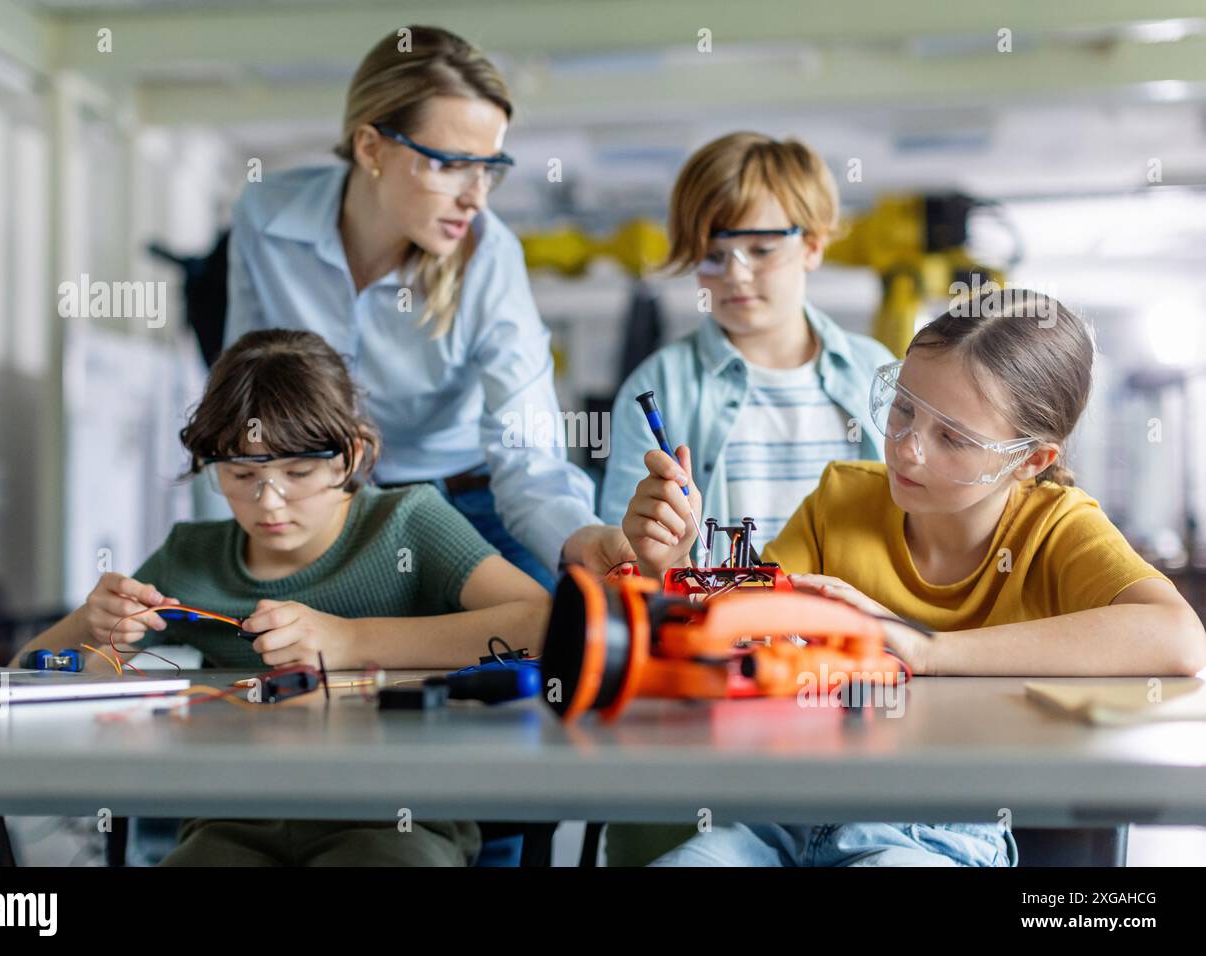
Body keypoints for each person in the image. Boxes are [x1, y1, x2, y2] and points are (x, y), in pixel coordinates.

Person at [623, 290, 1205, 866]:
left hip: (939, 831)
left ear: (1030, 460)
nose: (906, 450)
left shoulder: (1056, 531)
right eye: (903, 409)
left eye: (952, 437)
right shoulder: (840, 499)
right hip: (783, 812)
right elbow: (739, 634)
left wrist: (924, 650)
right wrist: (670, 567)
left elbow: (1178, 639)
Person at [13, 329, 551, 865]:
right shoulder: (190, 557)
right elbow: (26, 680)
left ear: (349, 458)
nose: (268, 502)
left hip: (396, 817)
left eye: (296, 472)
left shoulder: (409, 522)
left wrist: (350, 640)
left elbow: (541, 621)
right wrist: (91, 622)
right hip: (231, 821)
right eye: (242, 474)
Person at [224, 25, 633, 589]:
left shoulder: (489, 259)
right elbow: (245, 395)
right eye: (450, 164)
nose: (477, 197)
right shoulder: (265, 217)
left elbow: (527, 448)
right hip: (334, 511)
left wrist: (581, 538)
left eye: (489, 168)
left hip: (475, 508)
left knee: (540, 650)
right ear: (371, 148)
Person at [599, 132, 894, 558]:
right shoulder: (658, 384)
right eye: (714, 255)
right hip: (716, 620)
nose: (736, 275)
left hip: (850, 622)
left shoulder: (876, 372)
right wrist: (655, 552)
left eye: (761, 249)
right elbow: (623, 553)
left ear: (812, 245)